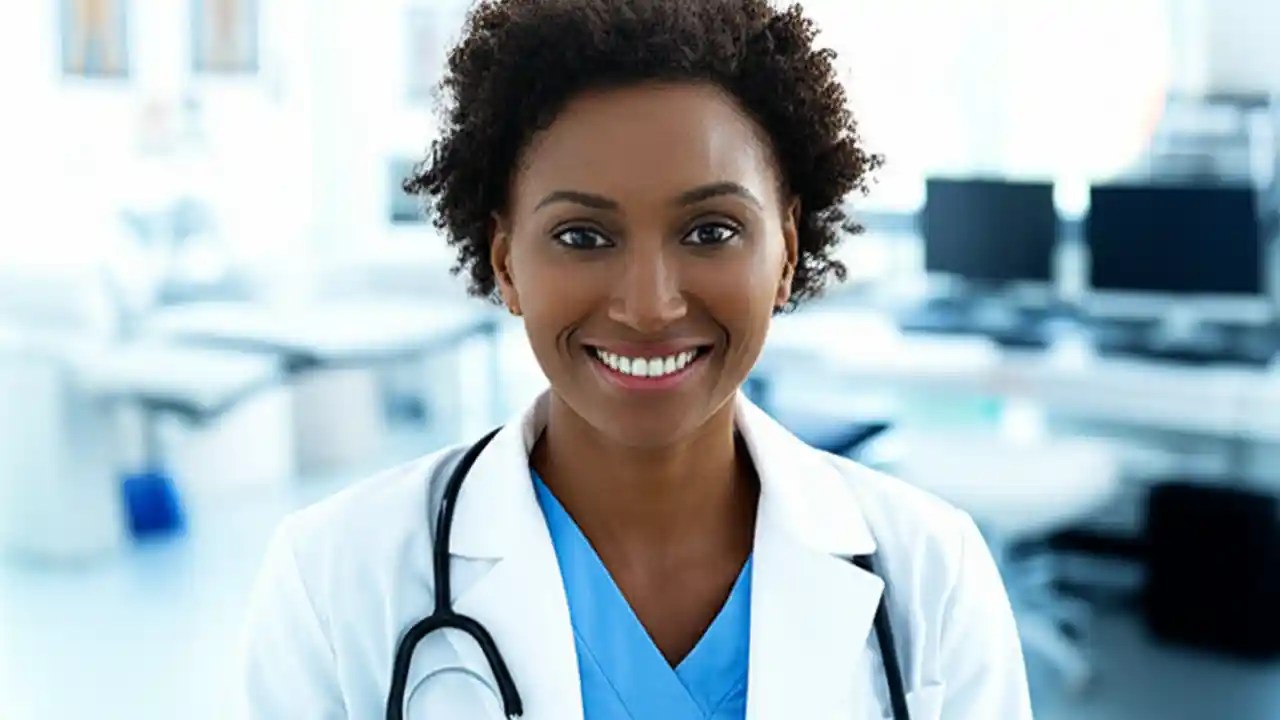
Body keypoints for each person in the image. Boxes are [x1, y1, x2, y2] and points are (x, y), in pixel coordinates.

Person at [241, 1, 1034, 718]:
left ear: (786, 252)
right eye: (583, 237)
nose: (649, 305)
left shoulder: (934, 574)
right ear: (507, 261)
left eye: (711, 231)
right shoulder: (334, 582)